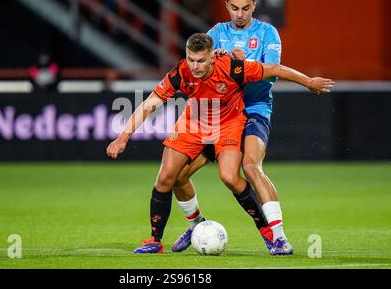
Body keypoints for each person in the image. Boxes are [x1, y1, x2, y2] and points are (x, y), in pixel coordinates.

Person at [106, 33, 334, 254]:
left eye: (201, 61)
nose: (195, 66)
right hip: (194, 122)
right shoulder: (180, 73)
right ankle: (159, 239)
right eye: (191, 60)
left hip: (228, 123)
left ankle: (267, 232)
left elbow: (274, 69)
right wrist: (123, 136)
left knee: (230, 177)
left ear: (213, 57)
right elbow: (149, 104)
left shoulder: (233, 68)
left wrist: (309, 82)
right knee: (167, 177)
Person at [171, 0, 295, 255]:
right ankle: (196, 227)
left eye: (246, 8)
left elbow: (272, 71)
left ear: (254, 6)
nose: (240, 14)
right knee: (177, 177)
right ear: (227, 6)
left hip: (254, 108)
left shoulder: (267, 33)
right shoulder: (215, 32)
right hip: (219, 115)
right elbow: (201, 67)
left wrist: (241, 62)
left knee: (251, 167)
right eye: (235, 8)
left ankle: (278, 237)